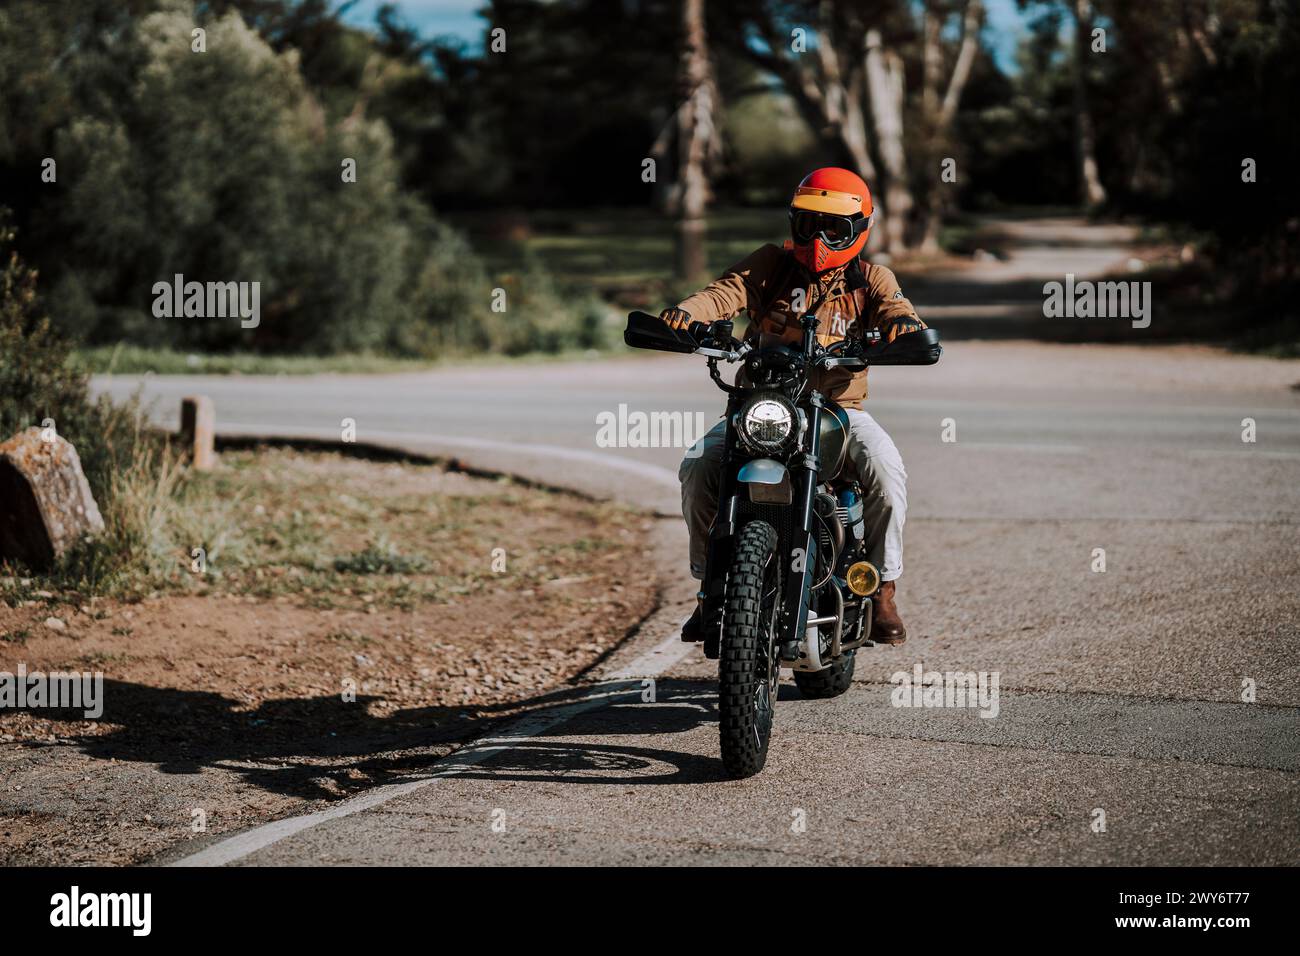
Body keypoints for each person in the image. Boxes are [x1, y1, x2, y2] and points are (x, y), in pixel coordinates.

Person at [665, 167, 927, 646]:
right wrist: (688, 314)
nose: (819, 238)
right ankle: (710, 588)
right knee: (700, 466)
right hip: (763, 408)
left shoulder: (871, 278)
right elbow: (725, 292)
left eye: (833, 228)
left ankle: (885, 587)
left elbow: (896, 308)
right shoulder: (771, 264)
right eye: (809, 224)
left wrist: (904, 328)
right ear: (793, 222)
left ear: (858, 229)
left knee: (886, 472)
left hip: (839, 413)